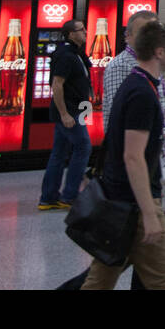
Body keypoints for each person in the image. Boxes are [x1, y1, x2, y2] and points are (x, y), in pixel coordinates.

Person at [81, 22, 165, 290]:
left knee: (101, 279)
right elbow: (133, 157)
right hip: (134, 202)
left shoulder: (142, 84)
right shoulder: (141, 93)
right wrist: (149, 213)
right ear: (159, 52)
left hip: (121, 198)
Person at [39, 19, 92, 210]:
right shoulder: (65, 56)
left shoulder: (76, 54)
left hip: (79, 108)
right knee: (83, 147)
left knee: (59, 153)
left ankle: (49, 197)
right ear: (71, 34)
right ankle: (69, 195)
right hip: (70, 111)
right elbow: (57, 84)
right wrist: (64, 113)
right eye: (81, 29)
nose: (85, 32)